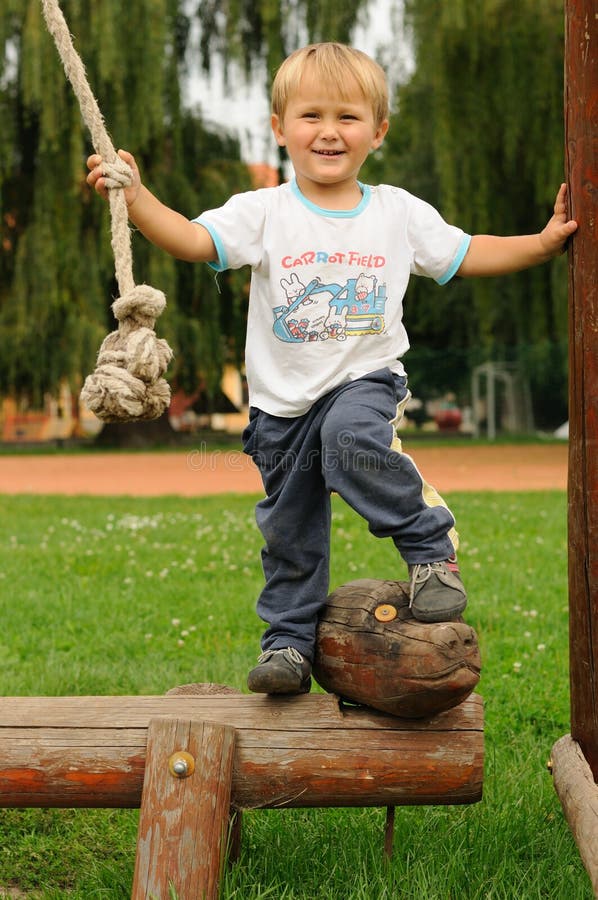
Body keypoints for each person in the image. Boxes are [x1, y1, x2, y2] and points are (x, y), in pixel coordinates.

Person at [87, 42, 577, 696]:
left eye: (347, 117)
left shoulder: (397, 212)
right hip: (278, 408)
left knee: (347, 442)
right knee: (289, 531)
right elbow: (193, 241)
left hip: (364, 380)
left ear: (378, 131)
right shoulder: (263, 213)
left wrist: (542, 243)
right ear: (279, 127)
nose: (328, 131)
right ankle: (288, 645)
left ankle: (430, 551)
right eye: (310, 115)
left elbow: (467, 252)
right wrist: (139, 197)